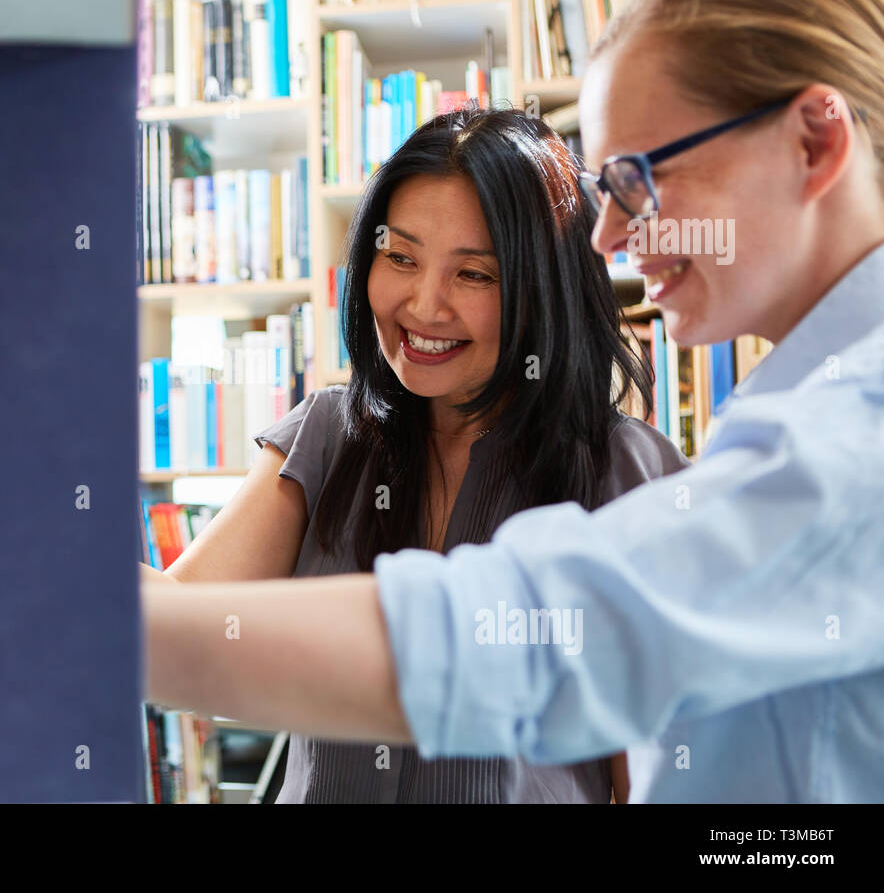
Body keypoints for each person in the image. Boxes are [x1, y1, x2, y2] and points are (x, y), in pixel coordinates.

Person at [142, 0, 884, 802]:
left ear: (814, 142)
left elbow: (528, 641)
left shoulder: (845, 433)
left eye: (643, 177)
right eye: (609, 190)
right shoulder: (806, 405)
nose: (610, 240)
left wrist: (92, 607)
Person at [144, 105, 688, 803]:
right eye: (399, 257)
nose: (424, 307)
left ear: (543, 291)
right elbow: (171, 635)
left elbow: (651, 780)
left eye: (476, 275)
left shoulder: (629, 473)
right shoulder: (326, 434)